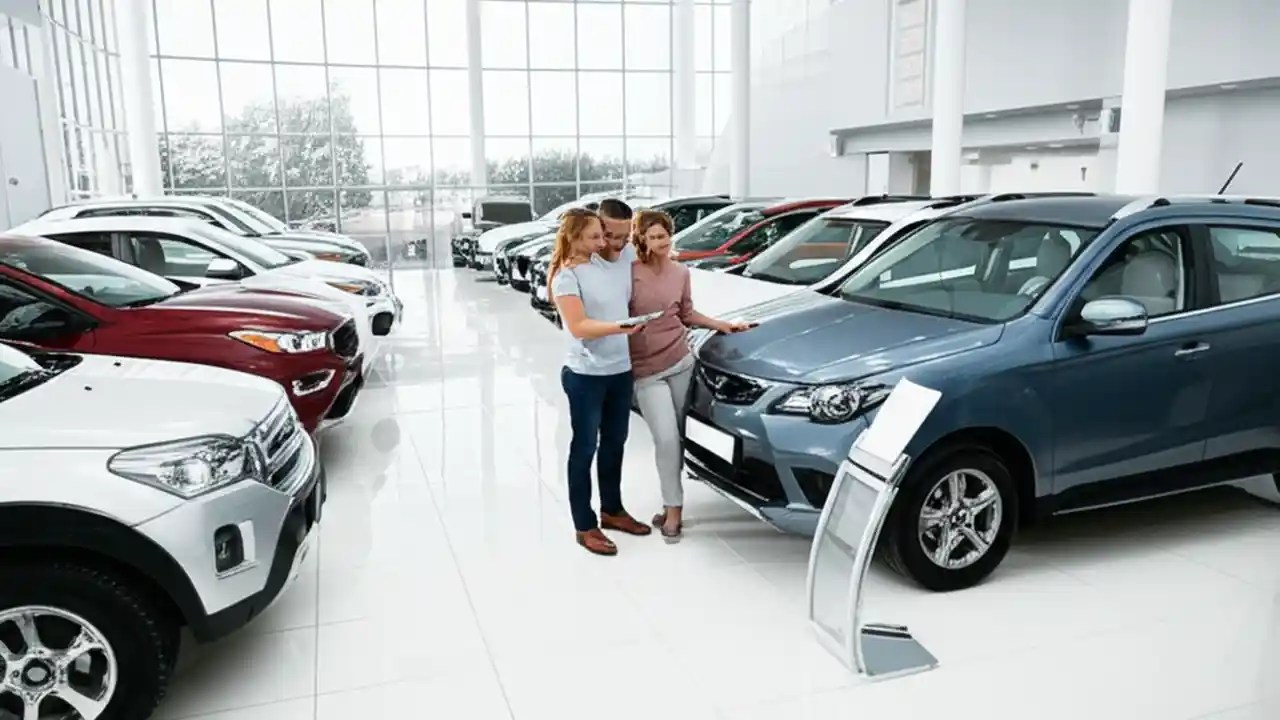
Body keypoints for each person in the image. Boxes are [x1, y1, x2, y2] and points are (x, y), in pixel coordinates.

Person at [627, 209, 754, 541]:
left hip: (681, 362)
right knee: (666, 439)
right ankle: (674, 509)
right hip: (646, 371)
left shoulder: (681, 272)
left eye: (666, 234)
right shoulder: (629, 273)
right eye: (654, 236)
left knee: (683, 435)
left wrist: (722, 325)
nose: (663, 241)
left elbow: (685, 313)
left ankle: (672, 506)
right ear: (641, 239)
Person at [550, 201, 653, 556]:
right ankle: (585, 524)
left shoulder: (608, 263)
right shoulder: (567, 276)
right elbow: (578, 326)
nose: (605, 242)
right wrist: (622, 327)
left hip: (619, 371)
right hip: (586, 376)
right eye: (597, 235)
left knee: (615, 444)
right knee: (583, 448)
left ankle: (612, 510)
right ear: (577, 237)